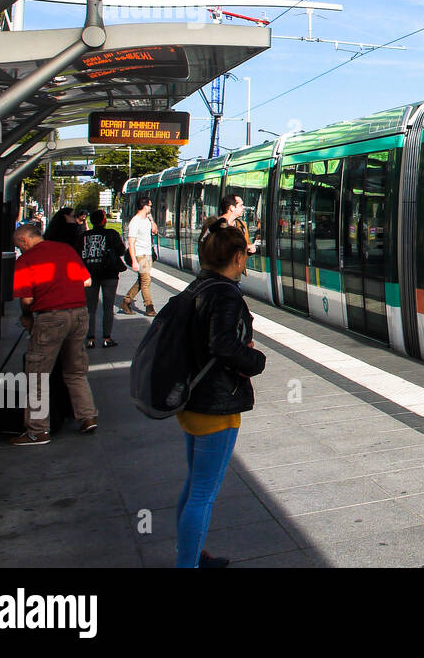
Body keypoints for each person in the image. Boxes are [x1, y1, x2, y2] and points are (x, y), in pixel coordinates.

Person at [175, 216, 266, 569]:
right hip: (216, 403)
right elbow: (222, 344)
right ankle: (189, 565)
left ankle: (191, 555)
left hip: (193, 400)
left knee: (194, 485)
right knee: (203, 494)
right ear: (239, 257)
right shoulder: (226, 295)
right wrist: (255, 359)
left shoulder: (198, 287)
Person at [10, 223, 99, 445]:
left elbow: (27, 299)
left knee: (37, 375)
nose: (20, 250)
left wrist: (27, 316)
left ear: (24, 241)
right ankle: (87, 416)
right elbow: (86, 280)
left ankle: (38, 430)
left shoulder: (26, 260)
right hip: (79, 314)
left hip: (50, 318)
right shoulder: (65, 250)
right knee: (75, 370)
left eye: (19, 246)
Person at [81, 209, 128, 348]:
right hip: (110, 274)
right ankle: (107, 338)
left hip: (90, 275)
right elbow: (121, 251)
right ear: (103, 221)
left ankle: (90, 339)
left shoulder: (84, 236)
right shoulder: (111, 234)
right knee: (108, 307)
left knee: (90, 308)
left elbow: (78, 254)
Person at [122, 197, 157, 316]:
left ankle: (126, 301)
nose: (151, 208)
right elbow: (131, 243)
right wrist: (134, 261)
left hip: (148, 254)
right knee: (146, 281)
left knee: (141, 281)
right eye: (150, 206)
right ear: (145, 206)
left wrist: (152, 220)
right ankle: (149, 307)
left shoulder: (147, 220)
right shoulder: (135, 221)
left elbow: (155, 231)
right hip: (140, 255)